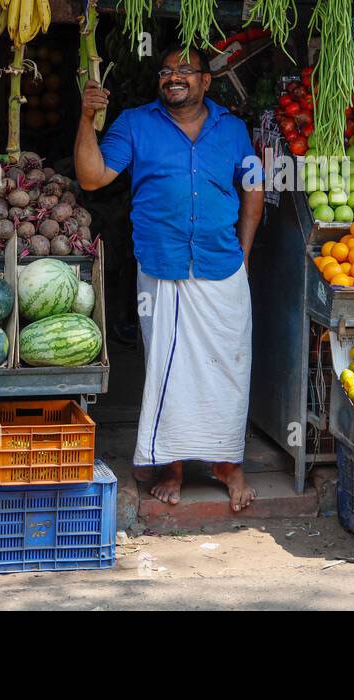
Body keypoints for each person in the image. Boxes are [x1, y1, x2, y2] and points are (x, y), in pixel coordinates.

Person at [75, 46, 264, 511]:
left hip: (223, 267)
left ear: (205, 81)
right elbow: (93, 177)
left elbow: (254, 187)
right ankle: (171, 465)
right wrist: (86, 118)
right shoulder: (136, 124)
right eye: (165, 70)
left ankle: (227, 463)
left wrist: (243, 254)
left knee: (231, 369)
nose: (172, 76)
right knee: (168, 371)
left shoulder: (233, 129)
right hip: (163, 266)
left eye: (184, 70)